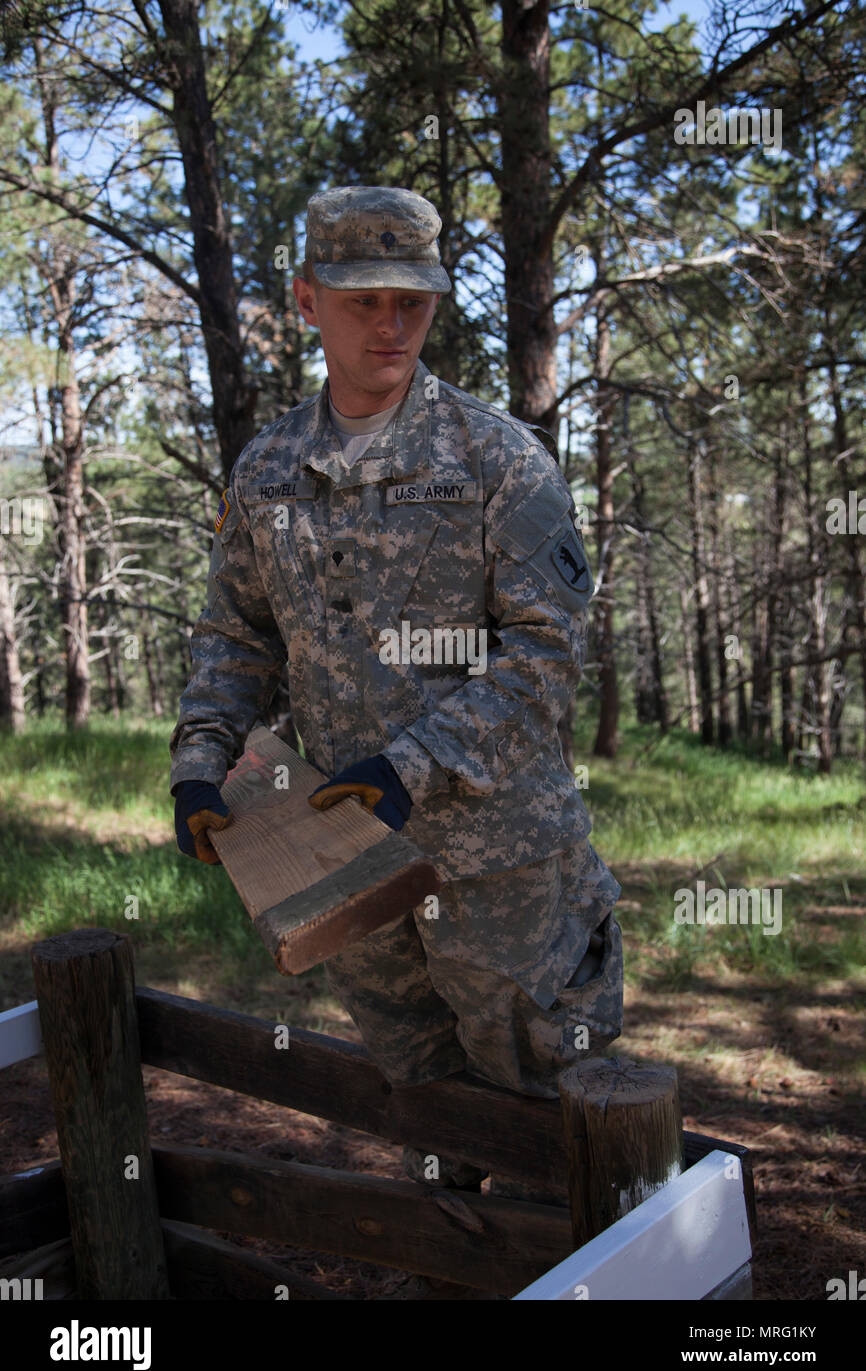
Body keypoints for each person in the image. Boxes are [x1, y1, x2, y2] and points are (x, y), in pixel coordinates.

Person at [170, 185, 623, 1215]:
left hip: (503, 868)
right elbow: (236, 635)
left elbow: (546, 655)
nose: (389, 324)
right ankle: (450, 1271)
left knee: (559, 1117)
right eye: (361, 297)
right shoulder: (270, 470)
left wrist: (407, 770)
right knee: (420, 1111)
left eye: (411, 303)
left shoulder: (497, 458)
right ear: (305, 301)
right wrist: (199, 759)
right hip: (352, 868)